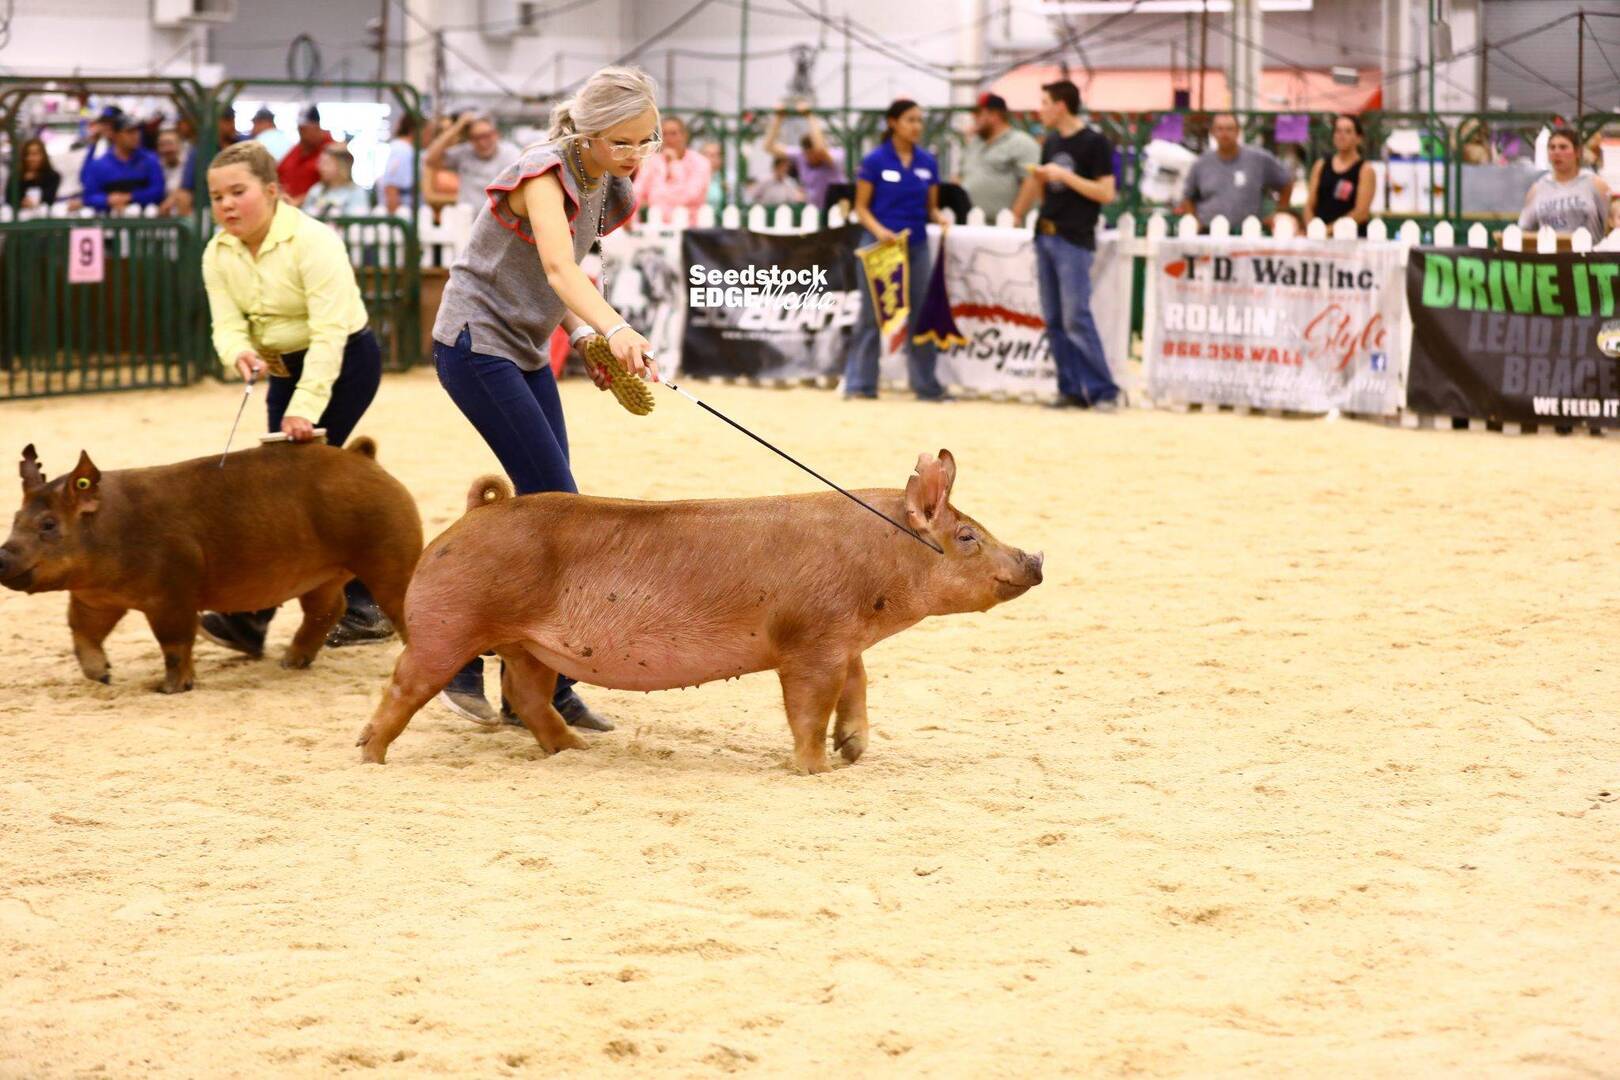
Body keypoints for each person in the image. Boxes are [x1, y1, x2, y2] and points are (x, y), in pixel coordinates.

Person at [429, 65, 660, 731]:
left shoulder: (598, 181)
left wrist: (586, 336)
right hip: (475, 344)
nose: (636, 156)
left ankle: (529, 683)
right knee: (556, 514)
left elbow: (551, 281)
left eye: (646, 142)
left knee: (550, 509)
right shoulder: (541, 169)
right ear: (587, 134)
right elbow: (559, 268)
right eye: (624, 142)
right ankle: (472, 659)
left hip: (522, 348)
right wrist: (615, 328)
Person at [197, 141, 390, 654]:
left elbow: (329, 335)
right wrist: (237, 352)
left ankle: (349, 602)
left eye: (238, 192)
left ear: (272, 191)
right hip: (284, 369)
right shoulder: (217, 253)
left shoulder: (315, 242)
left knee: (297, 485)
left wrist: (305, 406)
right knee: (286, 485)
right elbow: (225, 323)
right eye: (217, 196)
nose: (226, 205)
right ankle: (335, 603)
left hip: (345, 362)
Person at [1009, 78, 1120, 411]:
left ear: (1060, 105)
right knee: (1055, 319)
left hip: (1074, 237)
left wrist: (1065, 176)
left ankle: (1104, 390)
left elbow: (1106, 192)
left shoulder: (1095, 143)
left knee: (1076, 317)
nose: (1040, 110)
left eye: (1044, 103)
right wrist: (1022, 209)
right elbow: (1041, 186)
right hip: (1047, 233)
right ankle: (1069, 388)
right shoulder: (1051, 141)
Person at [845, 98, 951, 402]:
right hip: (880, 248)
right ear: (893, 123)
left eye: (920, 120)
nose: (917, 126)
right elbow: (861, 208)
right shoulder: (875, 160)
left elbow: (930, 207)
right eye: (910, 120)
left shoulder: (928, 163)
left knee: (921, 315)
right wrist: (880, 232)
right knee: (871, 314)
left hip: (915, 244)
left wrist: (939, 217)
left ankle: (925, 385)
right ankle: (860, 384)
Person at [1176, 113, 1294, 229]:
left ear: (1238, 131)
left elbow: (1286, 182)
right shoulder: (1201, 163)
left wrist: (1278, 213)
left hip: (1249, 233)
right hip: (1208, 234)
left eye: (1229, 129)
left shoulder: (1259, 159)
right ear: (1212, 132)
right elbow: (1188, 197)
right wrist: (1193, 221)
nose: (1224, 134)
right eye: (1220, 129)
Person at [958, 92, 1040, 222]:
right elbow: (961, 176)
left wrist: (1015, 215)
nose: (974, 118)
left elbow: (1031, 181)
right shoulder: (974, 142)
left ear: (994, 115)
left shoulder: (1021, 142)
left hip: (1004, 227)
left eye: (978, 114)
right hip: (971, 222)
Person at [1519, 128, 1611, 239]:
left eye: (1563, 147)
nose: (1557, 152)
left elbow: (1610, 224)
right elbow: (1525, 229)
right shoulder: (1537, 188)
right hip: (1550, 254)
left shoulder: (1596, 184)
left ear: (1577, 152)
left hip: (1587, 253)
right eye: (1552, 148)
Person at [424, 112, 521, 212]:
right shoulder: (464, 153)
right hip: (467, 220)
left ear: (496, 134)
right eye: (476, 138)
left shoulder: (512, 154)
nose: (482, 143)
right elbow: (429, 159)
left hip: (499, 221)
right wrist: (457, 127)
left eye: (486, 136)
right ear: (470, 139)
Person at [762, 100, 846, 212]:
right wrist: (778, 118)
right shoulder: (800, 155)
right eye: (808, 154)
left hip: (837, 211)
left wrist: (809, 116)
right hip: (814, 212)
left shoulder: (836, 154)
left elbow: (820, 150)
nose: (811, 158)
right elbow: (769, 147)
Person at [1303, 114, 1376, 234]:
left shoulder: (1365, 170)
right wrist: (1313, 228)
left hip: (1351, 238)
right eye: (1338, 131)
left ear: (1358, 138)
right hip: (1320, 237)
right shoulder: (1321, 165)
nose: (1341, 136)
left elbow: (1361, 212)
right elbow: (1309, 205)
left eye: (1347, 131)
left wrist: (1330, 230)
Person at [81, 114, 166, 214]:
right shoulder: (99, 164)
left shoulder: (150, 159)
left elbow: (158, 191)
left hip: (146, 221)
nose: (136, 136)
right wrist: (107, 200)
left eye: (138, 131)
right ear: (115, 135)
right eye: (129, 132)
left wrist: (130, 197)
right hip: (109, 220)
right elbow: (88, 196)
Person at [632, 115, 710, 221]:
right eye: (665, 134)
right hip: (656, 227)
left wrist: (674, 164)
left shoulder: (700, 162)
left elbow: (688, 196)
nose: (669, 139)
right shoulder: (652, 162)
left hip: (691, 228)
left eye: (673, 134)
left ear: (685, 136)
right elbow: (636, 193)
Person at [277, 105, 334, 207]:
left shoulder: (331, 150)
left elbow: (335, 186)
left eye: (304, 129)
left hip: (315, 212)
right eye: (299, 129)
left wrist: (299, 201)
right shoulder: (297, 150)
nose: (300, 133)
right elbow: (279, 174)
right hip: (289, 210)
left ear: (317, 127)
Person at [302, 144, 373, 219]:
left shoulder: (355, 191)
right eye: (320, 163)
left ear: (342, 166)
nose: (321, 167)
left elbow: (358, 221)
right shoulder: (316, 190)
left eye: (327, 163)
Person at [380, 111, 420, 214]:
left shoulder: (407, 149)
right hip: (402, 215)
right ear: (414, 131)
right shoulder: (402, 151)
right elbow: (391, 189)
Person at [6, 138, 60, 211]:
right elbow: (9, 198)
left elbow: (49, 198)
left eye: (34, 154)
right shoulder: (16, 176)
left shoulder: (53, 176)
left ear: (43, 156)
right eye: (27, 154)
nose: (30, 158)